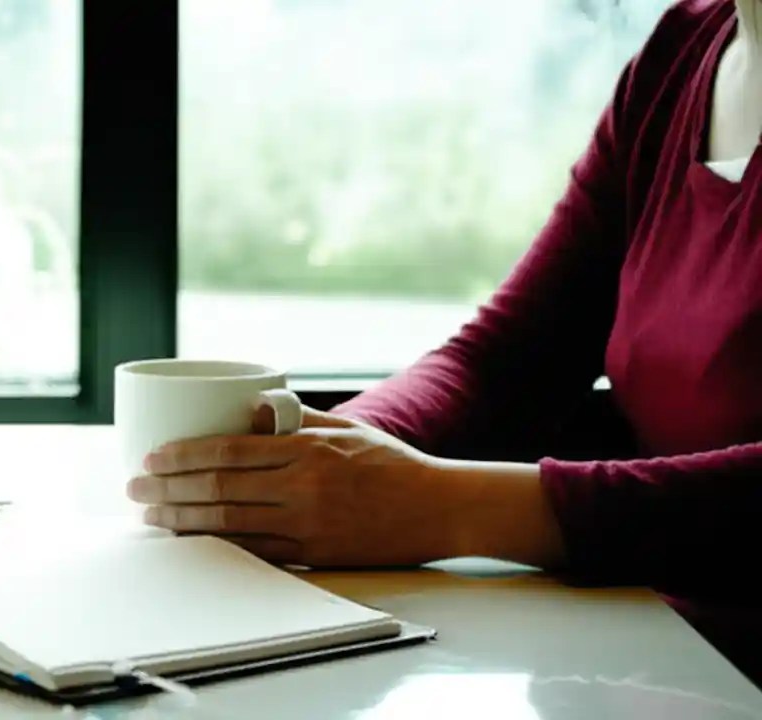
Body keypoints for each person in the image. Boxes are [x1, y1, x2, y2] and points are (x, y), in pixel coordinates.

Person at [127, 0, 762, 683]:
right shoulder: (681, 52)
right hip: (655, 660)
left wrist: (447, 506)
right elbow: (503, 361)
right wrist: (324, 460)